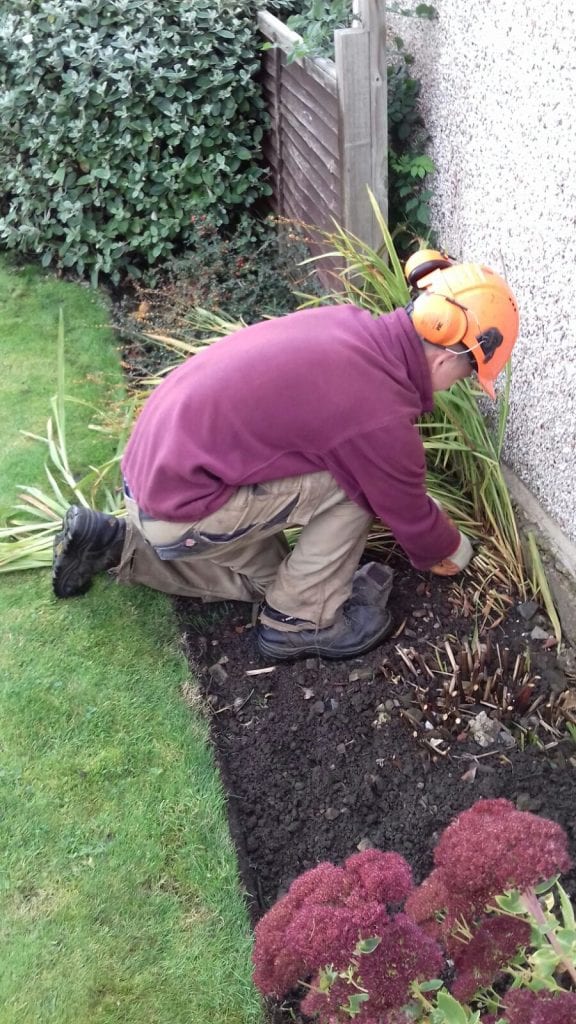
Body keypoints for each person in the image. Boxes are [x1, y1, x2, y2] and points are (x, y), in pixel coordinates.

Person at [52, 249, 519, 661]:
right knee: (356, 487)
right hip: (180, 505)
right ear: (445, 358)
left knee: (279, 579)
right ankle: (298, 624)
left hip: (156, 476)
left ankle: (113, 543)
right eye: (466, 374)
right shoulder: (376, 412)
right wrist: (455, 552)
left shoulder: (351, 327)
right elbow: (409, 515)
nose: (458, 384)